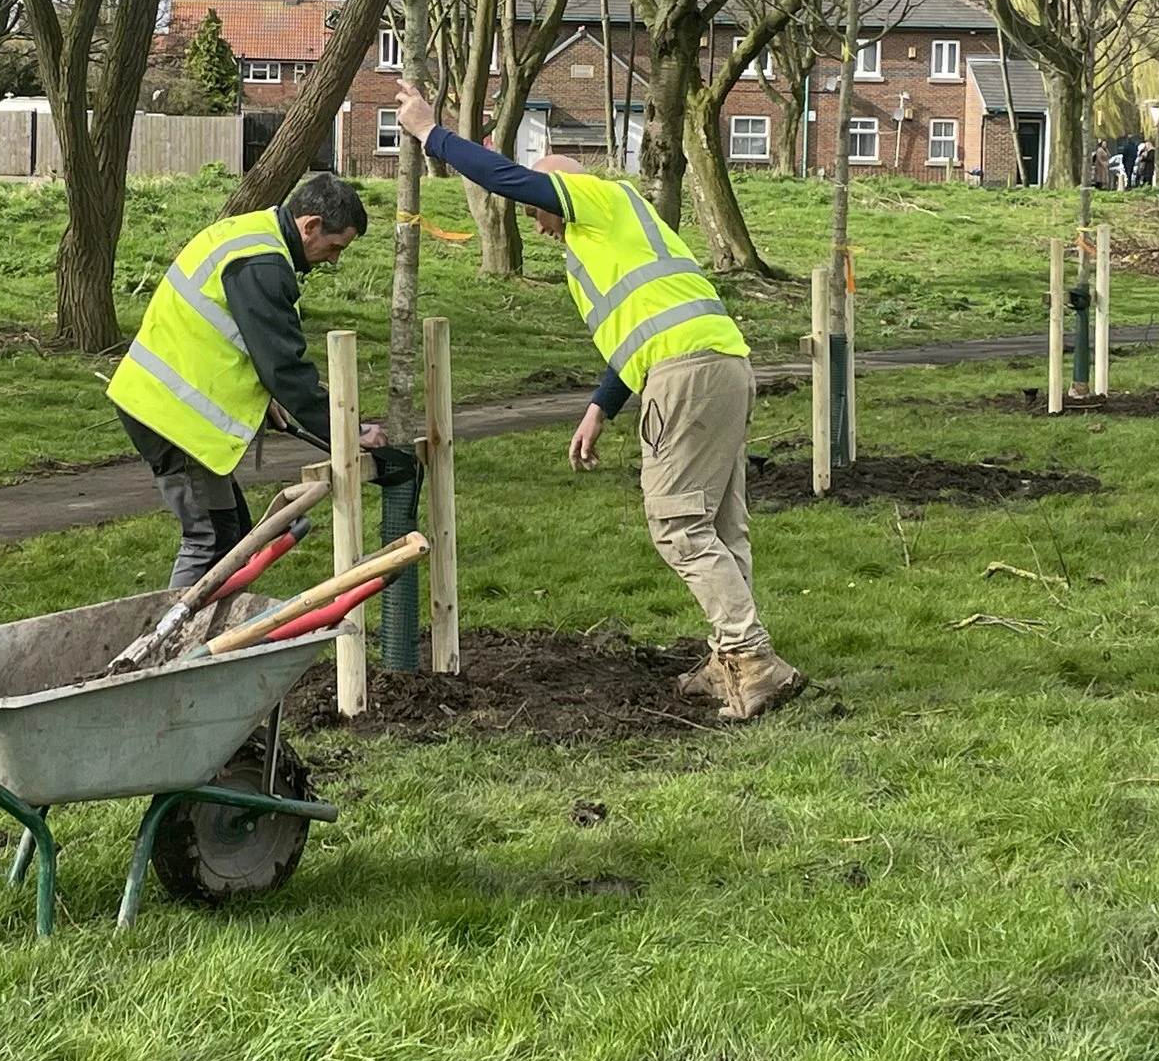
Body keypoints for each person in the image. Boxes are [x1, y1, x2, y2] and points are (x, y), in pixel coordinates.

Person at [391, 81, 805, 721]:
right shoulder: (612, 238)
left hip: (687, 373)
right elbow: (637, 334)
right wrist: (599, 406)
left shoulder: (598, 199)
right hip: (718, 361)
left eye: (539, 208)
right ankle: (731, 658)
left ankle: (752, 660)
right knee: (721, 525)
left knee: (676, 523)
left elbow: (508, 180)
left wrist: (429, 133)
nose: (534, 220)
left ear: (562, 189)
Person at [109, 171, 388, 589]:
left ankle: (207, 642)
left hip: (158, 405)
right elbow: (285, 367)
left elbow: (229, 334)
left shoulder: (251, 235)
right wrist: (347, 429)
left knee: (233, 533)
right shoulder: (263, 263)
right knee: (211, 539)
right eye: (334, 247)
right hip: (172, 418)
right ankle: (170, 647)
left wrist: (265, 397)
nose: (334, 260)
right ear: (310, 225)